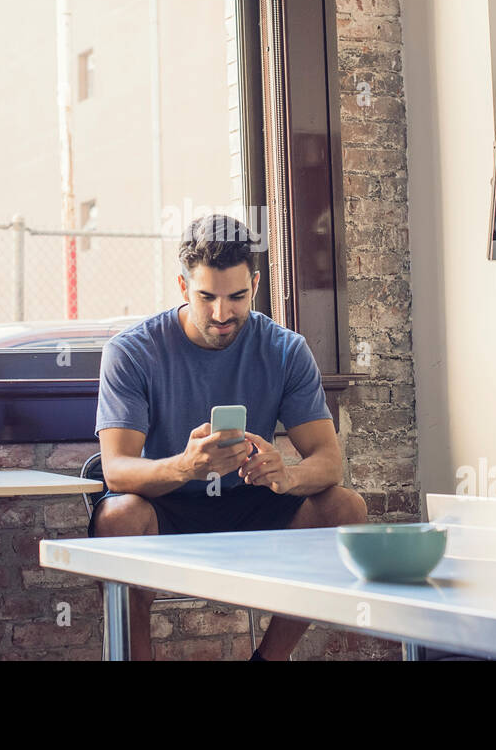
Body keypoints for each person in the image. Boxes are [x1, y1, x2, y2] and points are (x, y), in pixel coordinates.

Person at [91, 213, 368, 660]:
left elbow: (328, 462)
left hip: (253, 502)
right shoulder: (132, 351)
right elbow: (117, 470)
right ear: (183, 288)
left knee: (345, 507)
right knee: (118, 516)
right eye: (207, 297)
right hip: (170, 505)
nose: (222, 314)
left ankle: (269, 658)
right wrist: (185, 466)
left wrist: (288, 476)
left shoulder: (285, 349)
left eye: (237, 297)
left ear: (254, 285)